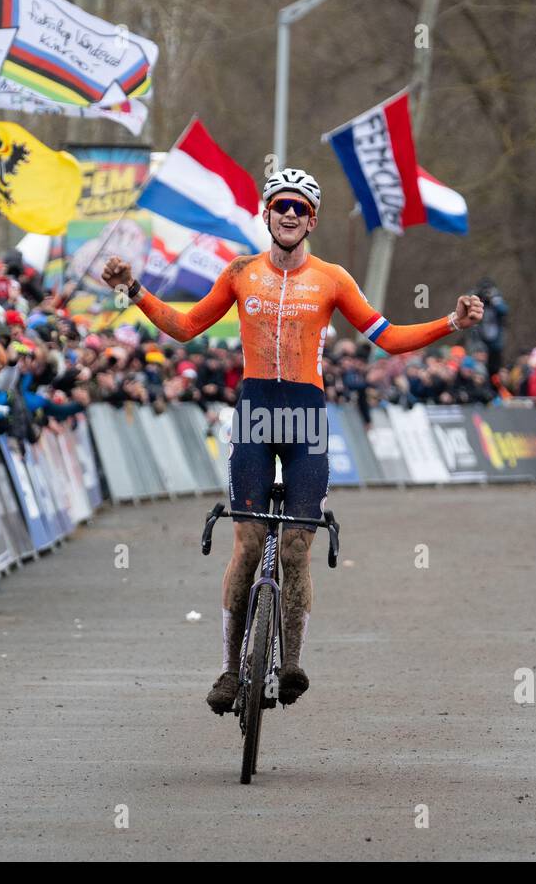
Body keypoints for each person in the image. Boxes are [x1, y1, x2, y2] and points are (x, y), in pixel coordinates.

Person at [102, 167, 484, 712]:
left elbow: (389, 337)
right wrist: (134, 290)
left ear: (312, 219)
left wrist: (450, 322)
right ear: (266, 212)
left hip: (306, 417)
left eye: (299, 207)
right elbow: (186, 328)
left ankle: (293, 662)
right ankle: (232, 670)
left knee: (299, 547)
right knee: (250, 543)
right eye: (280, 204)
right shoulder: (239, 272)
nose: (288, 213)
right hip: (256, 413)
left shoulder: (332, 279)